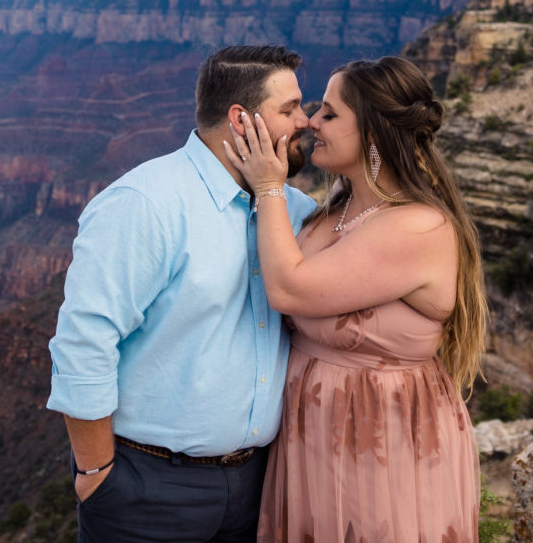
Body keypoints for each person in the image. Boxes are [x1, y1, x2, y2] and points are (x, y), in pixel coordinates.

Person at [46, 44, 317, 543]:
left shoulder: (295, 211)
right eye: (290, 109)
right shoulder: (146, 204)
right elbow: (84, 344)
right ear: (241, 120)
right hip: (146, 490)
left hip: (261, 484)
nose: (307, 121)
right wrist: (96, 475)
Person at [226, 54, 488, 543]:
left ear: (371, 133)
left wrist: (268, 186)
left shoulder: (417, 225)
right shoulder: (335, 213)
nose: (310, 122)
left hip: (381, 442)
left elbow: (288, 289)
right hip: (314, 437)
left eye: (328, 113)